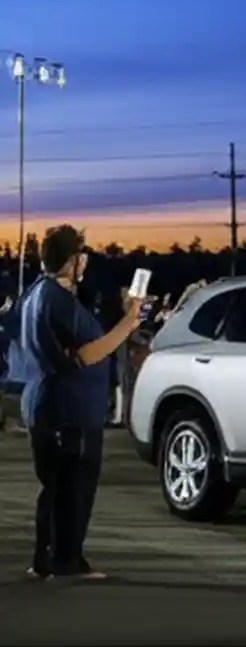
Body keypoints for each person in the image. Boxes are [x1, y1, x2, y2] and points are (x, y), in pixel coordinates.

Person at [19, 226, 144, 579]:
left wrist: (118, 315)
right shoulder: (56, 300)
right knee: (74, 489)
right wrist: (129, 322)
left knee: (54, 488)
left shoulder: (36, 294)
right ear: (72, 261)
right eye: (81, 256)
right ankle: (66, 562)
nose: (85, 262)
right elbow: (86, 354)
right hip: (69, 408)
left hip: (44, 404)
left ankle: (46, 558)